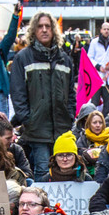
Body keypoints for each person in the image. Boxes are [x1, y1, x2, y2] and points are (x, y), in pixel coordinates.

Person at [11, 13, 76, 180]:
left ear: (54, 30)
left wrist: (69, 116)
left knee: (65, 171)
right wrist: (28, 119)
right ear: (34, 30)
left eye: (48, 26)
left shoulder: (64, 59)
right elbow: (17, 93)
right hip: (37, 129)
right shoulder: (23, 58)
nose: (44, 30)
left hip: (62, 128)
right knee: (43, 171)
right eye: (40, 26)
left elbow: (71, 93)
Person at [87, 21, 109, 113]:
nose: (106, 31)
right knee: (94, 103)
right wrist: (98, 66)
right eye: (104, 29)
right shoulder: (94, 42)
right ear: (101, 30)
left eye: (108, 29)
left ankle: (105, 119)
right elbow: (89, 57)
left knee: (107, 103)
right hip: (97, 77)